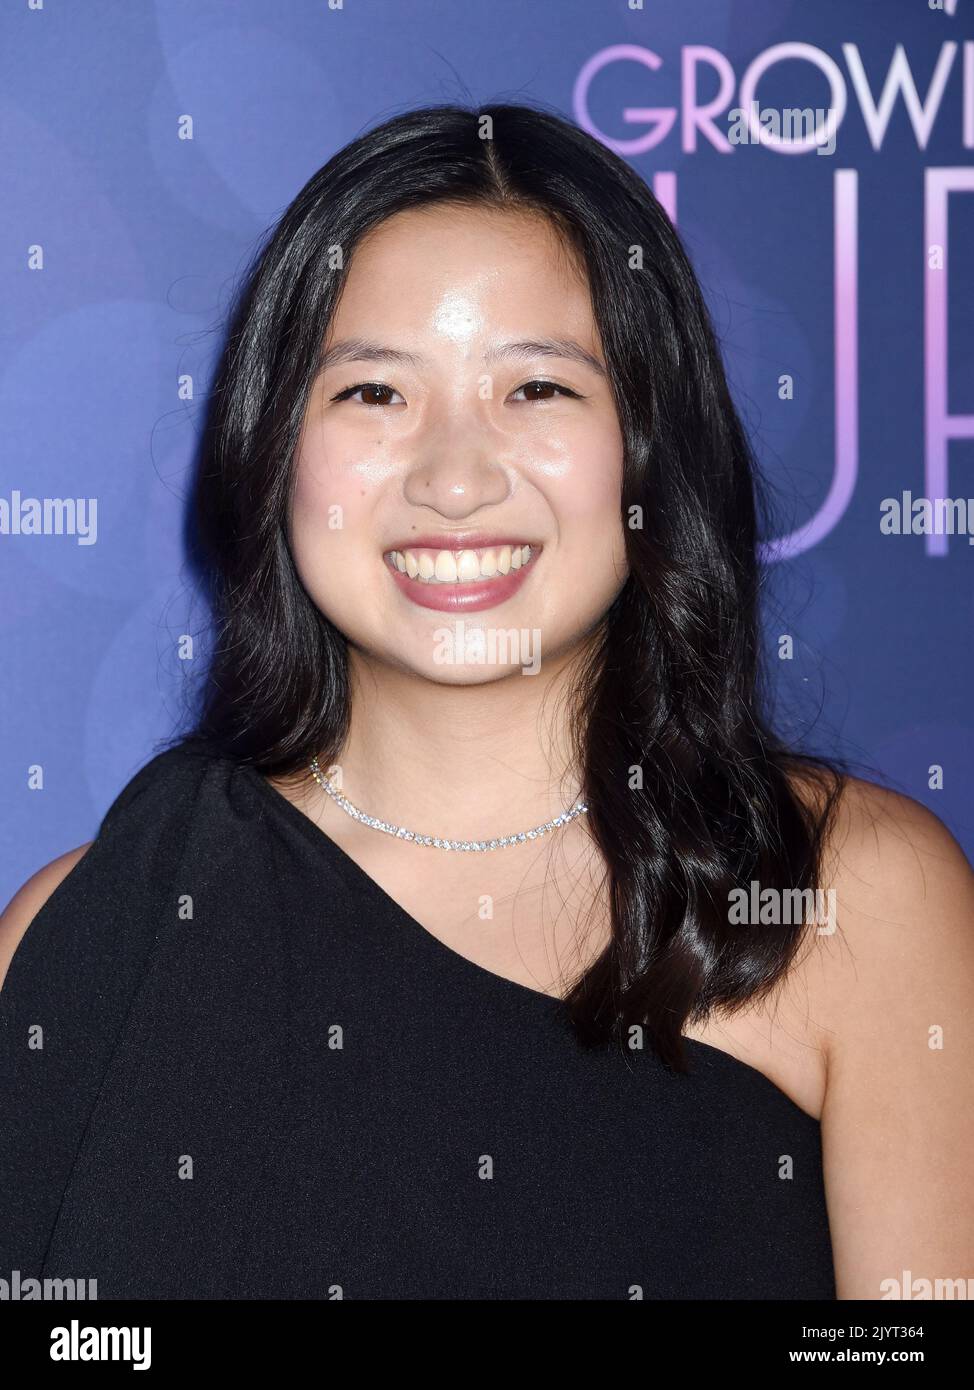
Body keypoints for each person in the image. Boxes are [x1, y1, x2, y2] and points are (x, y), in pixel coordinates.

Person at [2, 103, 972, 1302]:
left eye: (537, 390)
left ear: (649, 445)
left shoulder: (848, 894)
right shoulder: (92, 925)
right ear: (272, 447)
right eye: (372, 394)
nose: (454, 477)